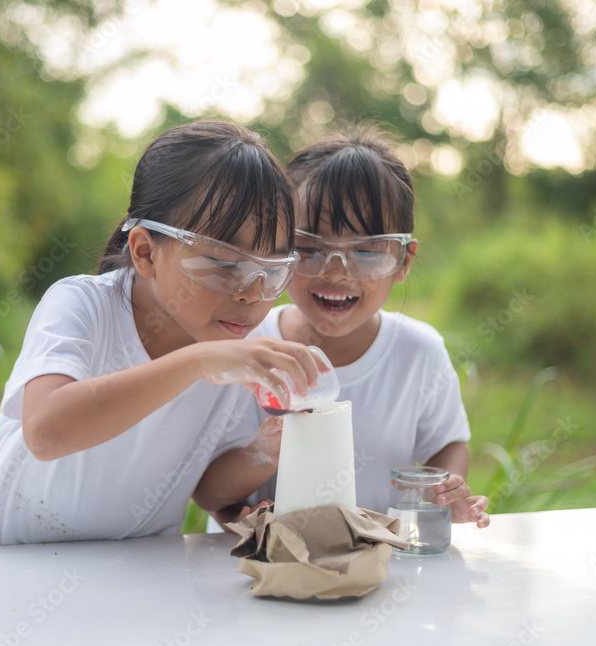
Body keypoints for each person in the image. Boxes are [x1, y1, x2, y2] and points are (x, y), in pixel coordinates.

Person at [0, 120, 326, 547]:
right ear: (146, 252)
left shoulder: (235, 344)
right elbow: (45, 431)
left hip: (138, 583)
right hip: (12, 574)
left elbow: (208, 491)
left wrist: (266, 450)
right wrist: (200, 362)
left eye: (271, 271)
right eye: (224, 264)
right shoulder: (84, 306)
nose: (251, 293)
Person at [199, 126, 491, 529]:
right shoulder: (244, 345)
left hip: (373, 566)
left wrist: (440, 490)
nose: (337, 273)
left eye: (368, 251)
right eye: (310, 248)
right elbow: (208, 491)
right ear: (276, 249)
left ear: (404, 261)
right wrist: (260, 461)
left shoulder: (418, 352)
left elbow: (448, 443)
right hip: (254, 565)